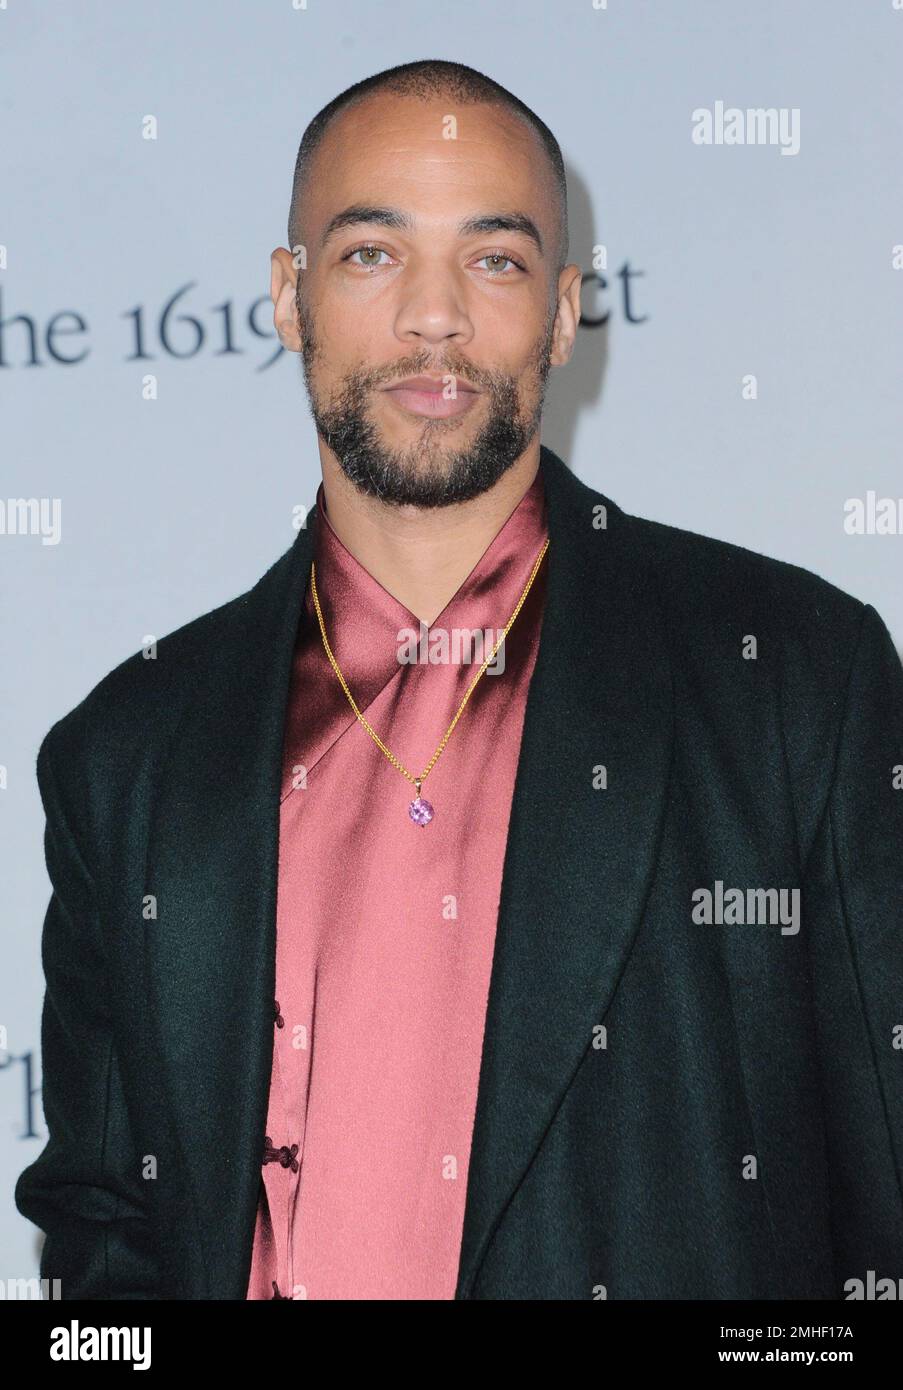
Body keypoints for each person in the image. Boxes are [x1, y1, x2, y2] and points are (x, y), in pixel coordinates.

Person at [15, 58, 903, 1301]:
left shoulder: (793, 680)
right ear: (288, 294)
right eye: (373, 253)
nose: (434, 318)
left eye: (494, 260)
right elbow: (109, 1229)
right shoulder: (128, 753)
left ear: (561, 309)